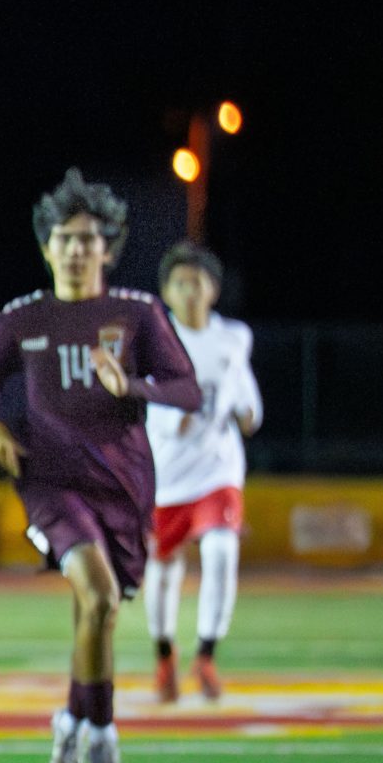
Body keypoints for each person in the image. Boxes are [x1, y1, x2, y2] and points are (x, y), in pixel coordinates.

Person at [0, 169, 199, 763]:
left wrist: (134, 386)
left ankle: (70, 724)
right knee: (97, 597)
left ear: (108, 249)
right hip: (49, 482)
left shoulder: (137, 313)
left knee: (97, 614)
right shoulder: (24, 317)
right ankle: (102, 732)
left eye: (88, 239)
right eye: (64, 238)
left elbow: (188, 389)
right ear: (46, 247)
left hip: (123, 486)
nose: (75, 249)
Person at [143, 242, 261, 702]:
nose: (190, 291)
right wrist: (181, 413)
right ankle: (164, 654)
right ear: (166, 292)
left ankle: (207, 655)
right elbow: (153, 412)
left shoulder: (234, 337)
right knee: (164, 568)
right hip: (168, 476)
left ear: (214, 288)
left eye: (198, 282)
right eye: (180, 283)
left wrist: (249, 413)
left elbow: (247, 397)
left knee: (221, 550)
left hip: (218, 471)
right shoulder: (153, 342)